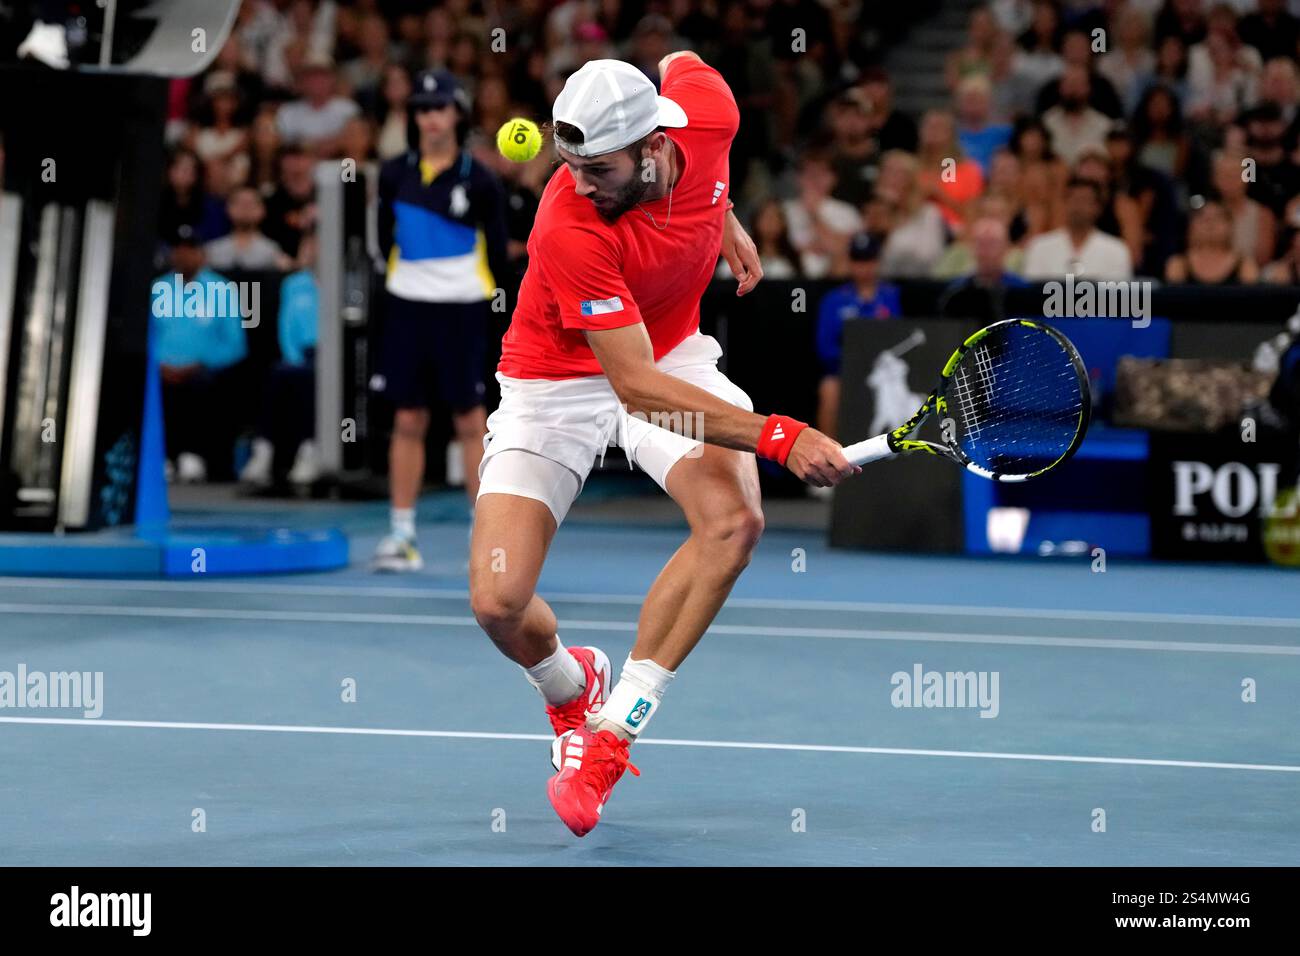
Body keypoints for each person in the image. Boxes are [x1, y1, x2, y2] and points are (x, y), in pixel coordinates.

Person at [470, 54, 857, 838]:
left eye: (599, 168)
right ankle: (571, 685)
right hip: (559, 380)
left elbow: (679, 62)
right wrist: (781, 433)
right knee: (498, 603)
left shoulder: (707, 108)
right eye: (570, 165)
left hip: (670, 348)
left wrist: (724, 215)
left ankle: (613, 733)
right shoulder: (569, 223)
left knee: (736, 522)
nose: (580, 182)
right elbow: (635, 390)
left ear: (655, 142)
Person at [371, 69, 509, 572]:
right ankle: (402, 534)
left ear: (456, 114)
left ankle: (482, 538)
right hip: (407, 305)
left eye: (440, 108)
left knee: (471, 420)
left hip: (464, 307)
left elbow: (497, 253)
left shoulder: (483, 179)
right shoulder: (392, 174)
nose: (431, 118)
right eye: (423, 109)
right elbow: (382, 242)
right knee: (408, 419)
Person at [151, 225, 248, 484]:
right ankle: (163, 457)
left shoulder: (222, 289)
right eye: (178, 250)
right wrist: (158, 365)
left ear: (201, 254)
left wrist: (201, 364)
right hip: (162, 370)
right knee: (150, 387)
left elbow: (236, 343)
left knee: (201, 386)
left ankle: (193, 455)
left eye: (189, 250)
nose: (183, 255)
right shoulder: (157, 288)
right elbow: (146, 336)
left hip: (204, 371)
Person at [240, 230, 321, 489]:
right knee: (279, 374)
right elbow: (286, 326)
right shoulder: (293, 284)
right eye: (306, 244)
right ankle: (263, 452)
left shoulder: (343, 283)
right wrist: (294, 356)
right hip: (300, 354)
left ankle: (310, 451)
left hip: (332, 358)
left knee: (311, 378)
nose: (310, 250)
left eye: (316, 245)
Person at [814, 233, 901, 441]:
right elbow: (824, 346)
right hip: (844, 372)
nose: (864, 267)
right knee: (828, 389)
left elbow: (898, 334)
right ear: (851, 263)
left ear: (878, 262)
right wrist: (853, 359)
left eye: (869, 260)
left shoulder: (891, 296)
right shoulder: (834, 300)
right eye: (859, 261)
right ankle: (829, 454)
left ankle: (896, 460)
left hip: (882, 372)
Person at [1022, 176, 1133, 279]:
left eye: (1085, 200)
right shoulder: (1040, 247)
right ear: (1065, 203)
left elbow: (1118, 297)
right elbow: (1032, 294)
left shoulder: (1116, 251)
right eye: (1074, 200)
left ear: (1097, 208)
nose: (1078, 207)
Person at [938, 216, 1030, 323]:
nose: (985, 251)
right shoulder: (954, 291)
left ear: (1006, 248)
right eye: (980, 243)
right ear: (971, 248)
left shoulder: (1022, 290)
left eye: (992, 244)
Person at [204, 186, 291, 271]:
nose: (245, 208)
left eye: (251, 203)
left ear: (263, 210)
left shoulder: (272, 251)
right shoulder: (212, 250)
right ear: (228, 208)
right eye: (239, 203)